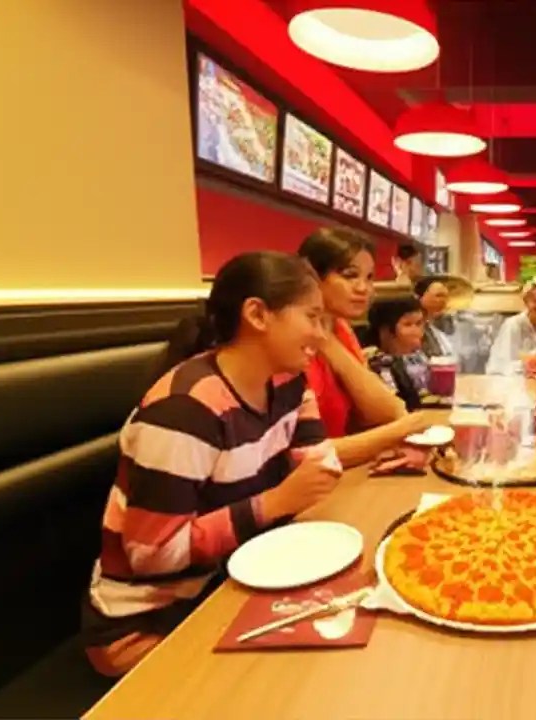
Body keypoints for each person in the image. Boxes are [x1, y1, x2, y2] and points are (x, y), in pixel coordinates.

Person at [82, 252, 343, 676]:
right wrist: (273, 502)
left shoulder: (289, 381)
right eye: (312, 317)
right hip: (146, 624)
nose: (321, 335)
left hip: (228, 585)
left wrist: (308, 475)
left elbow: (321, 463)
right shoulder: (183, 411)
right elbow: (154, 554)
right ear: (257, 314)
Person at [298, 228, 429, 465]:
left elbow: (387, 410)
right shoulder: (289, 341)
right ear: (311, 277)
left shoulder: (339, 328)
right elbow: (303, 455)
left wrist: (329, 342)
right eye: (350, 275)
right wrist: (398, 432)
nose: (363, 288)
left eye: (369, 278)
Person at [365, 296, 430, 410]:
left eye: (419, 323)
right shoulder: (377, 362)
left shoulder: (420, 356)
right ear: (385, 331)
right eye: (408, 324)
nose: (417, 331)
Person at [413, 275, 455, 357]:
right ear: (419, 297)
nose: (443, 301)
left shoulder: (442, 327)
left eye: (446, 296)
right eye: (439, 295)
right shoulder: (414, 327)